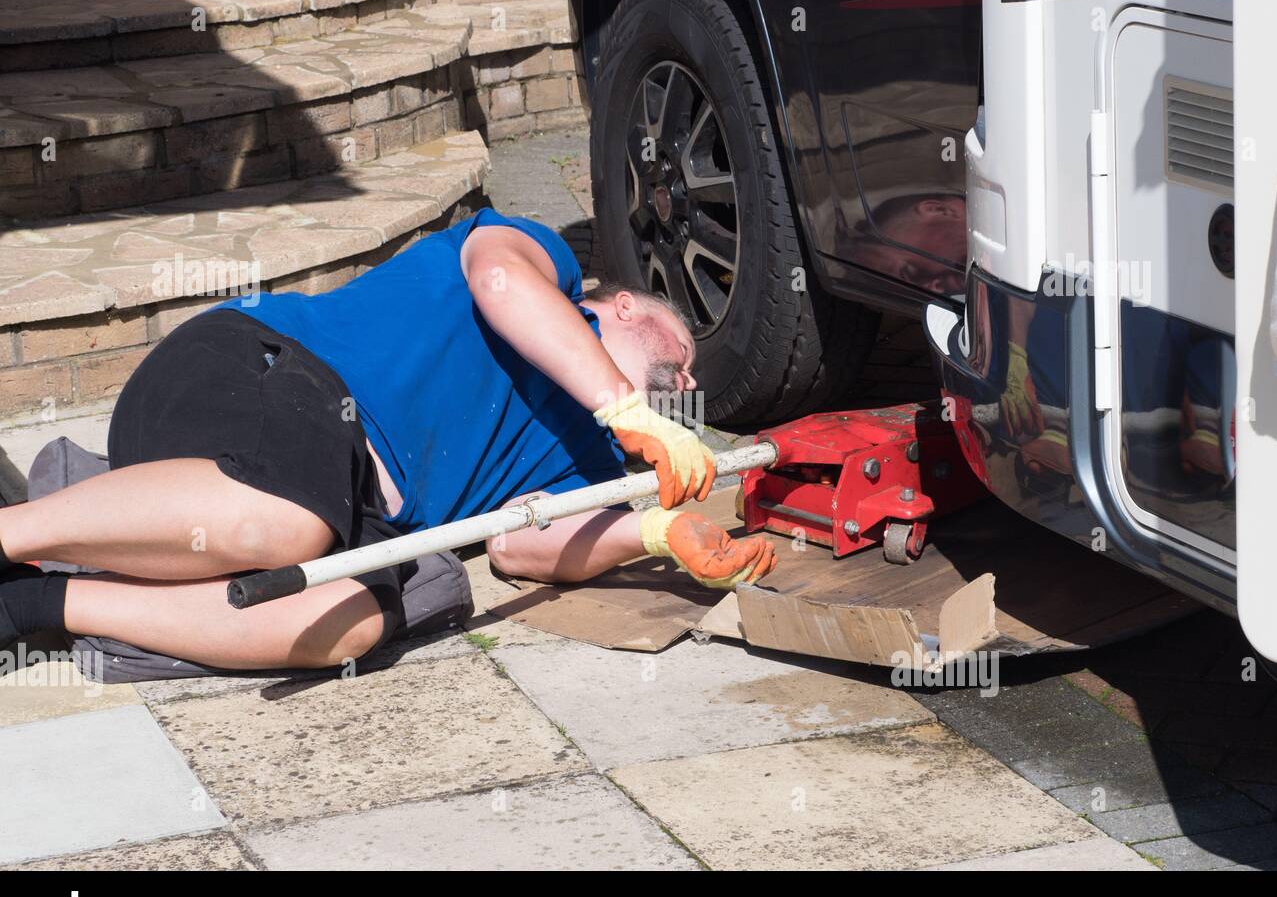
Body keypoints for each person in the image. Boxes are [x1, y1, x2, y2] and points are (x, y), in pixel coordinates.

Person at [0, 209, 775, 670]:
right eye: (682, 352)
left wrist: (657, 529)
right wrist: (623, 406)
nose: (687, 377)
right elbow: (498, 284)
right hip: (257, 370)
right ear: (628, 306)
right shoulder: (545, 266)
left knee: (351, 621)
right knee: (291, 521)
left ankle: (37, 600)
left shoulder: (594, 457)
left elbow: (519, 547)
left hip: (332, 495)